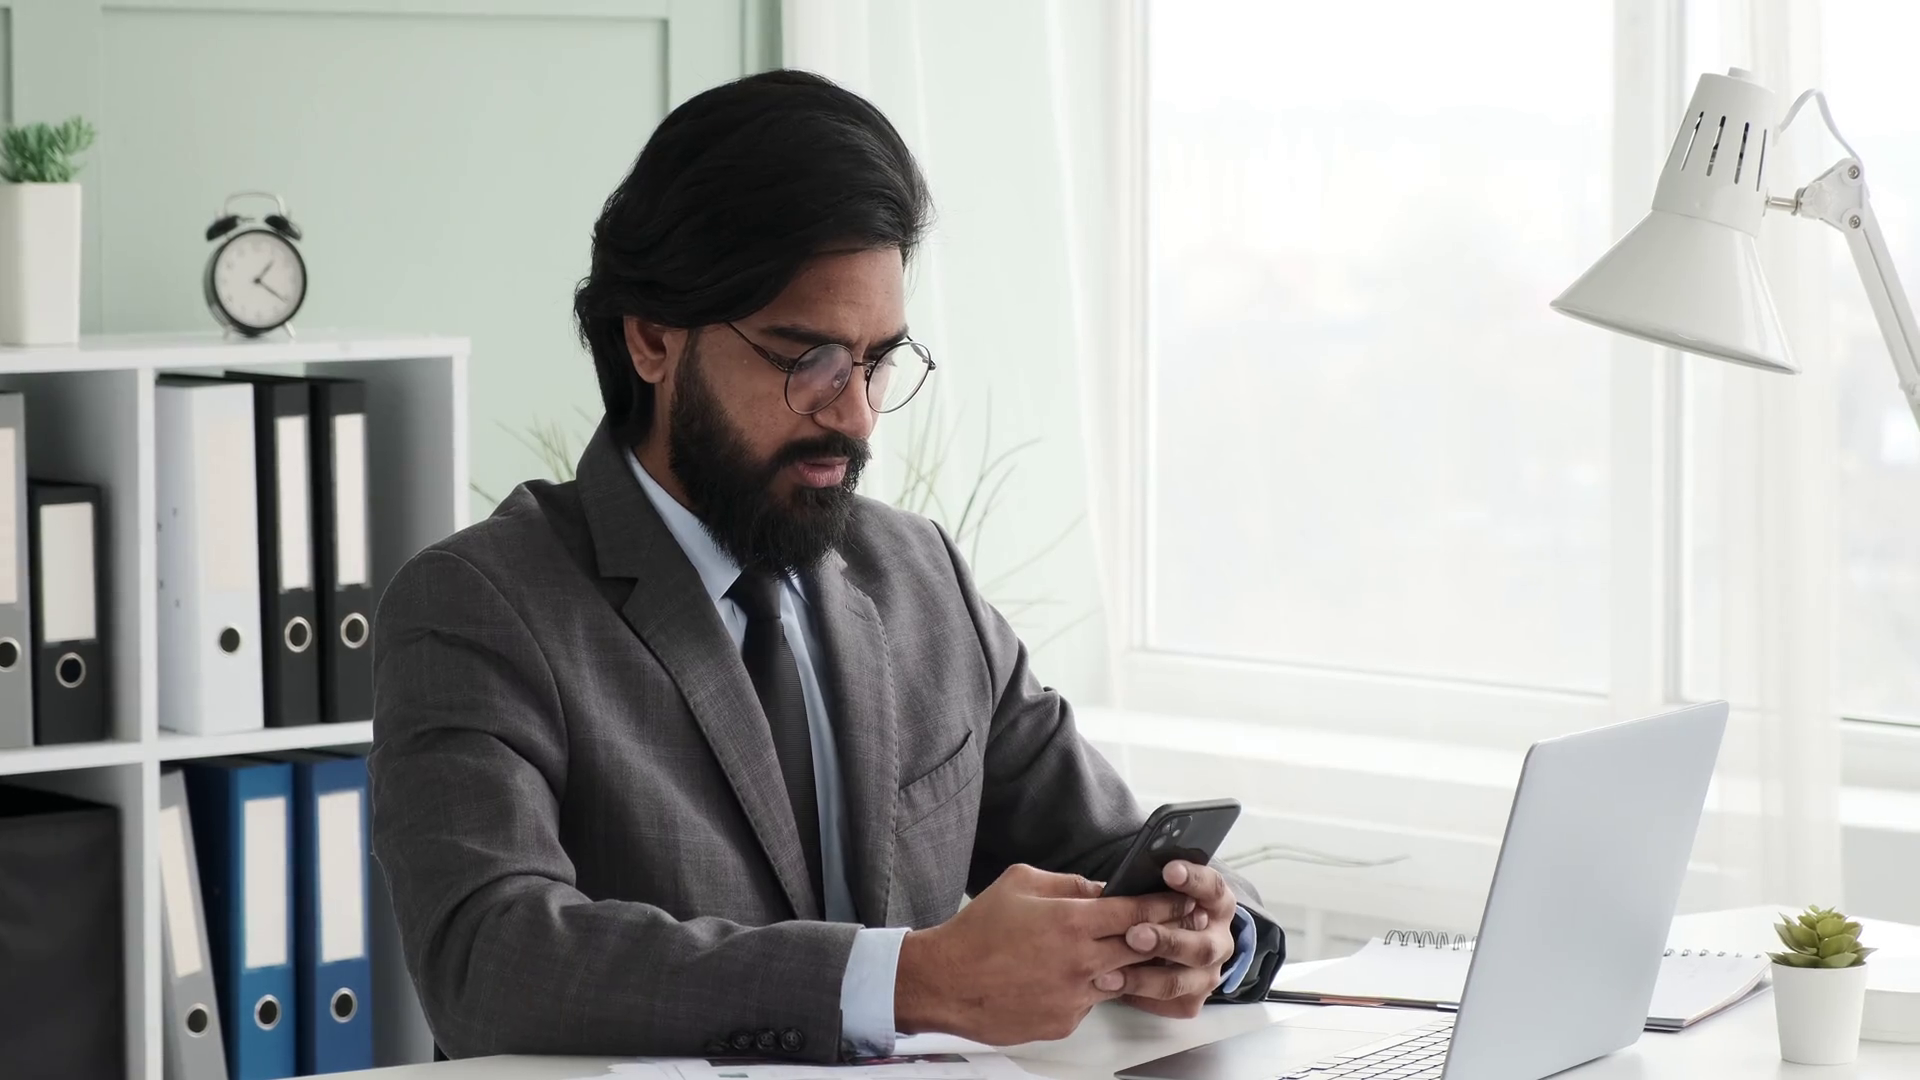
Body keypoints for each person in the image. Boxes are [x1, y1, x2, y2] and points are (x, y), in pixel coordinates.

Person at [370, 70, 1284, 1064]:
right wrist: (909, 981)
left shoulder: (919, 574)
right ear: (652, 336)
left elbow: (1111, 853)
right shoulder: (482, 605)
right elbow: (491, 962)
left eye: (877, 359)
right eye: (806, 358)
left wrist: (1203, 939)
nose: (853, 416)